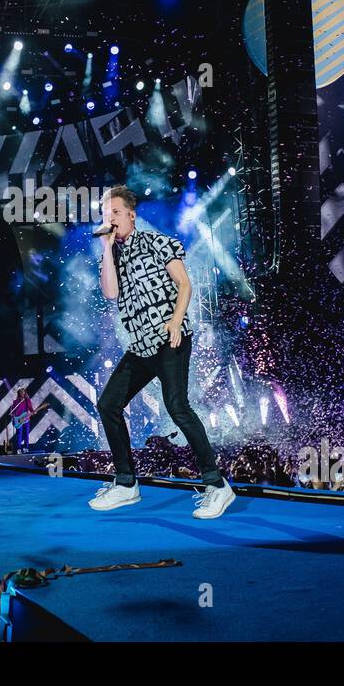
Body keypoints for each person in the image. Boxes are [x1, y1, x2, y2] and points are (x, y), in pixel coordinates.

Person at [89, 185, 234, 519]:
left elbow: (185, 284)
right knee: (108, 403)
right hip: (140, 346)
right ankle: (126, 484)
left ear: (130, 215)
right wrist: (107, 250)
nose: (109, 219)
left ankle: (217, 485)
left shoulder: (158, 243)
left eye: (115, 213)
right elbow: (110, 293)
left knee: (177, 406)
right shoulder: (111, 254)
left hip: (171, 339)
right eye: (105, 214)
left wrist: (176, 319)